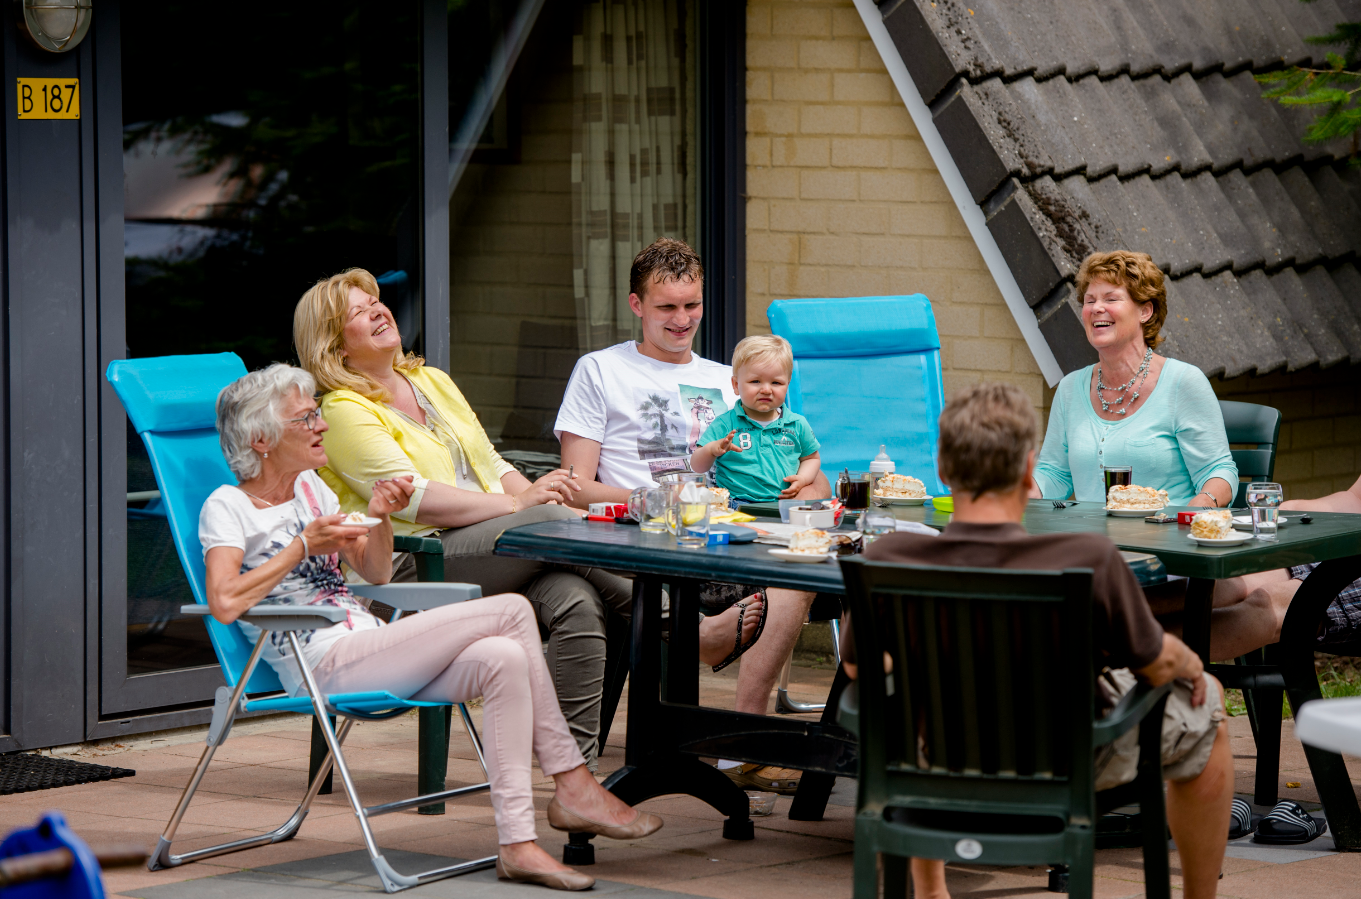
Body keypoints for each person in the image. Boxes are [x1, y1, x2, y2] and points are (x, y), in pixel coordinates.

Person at [199, 364, 661, 891]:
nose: (320, 425)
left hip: (362, 641)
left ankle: (518, 845)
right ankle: (574, 785)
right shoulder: (228, 507)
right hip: (319, 664)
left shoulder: (312, 493)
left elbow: (373, 572)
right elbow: (224, 601)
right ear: (261, 440)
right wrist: (302, 547)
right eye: (306, 418)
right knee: (510, 611)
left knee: (503, 659)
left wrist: (378, 516)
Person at [844, 383, 1232, 899]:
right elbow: (1157, 666)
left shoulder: (887, 558)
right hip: (1066, 761)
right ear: (1029, 471)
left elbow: (858, 671)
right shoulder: (1089, 557)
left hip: (935, 758)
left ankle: (931, 888)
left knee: (912, 702)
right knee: (1208, 710)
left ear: (942, 469)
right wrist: (1189, 665)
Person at [294, 268, 644, 771]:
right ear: (334, 345)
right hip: (408, 567)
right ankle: (685, 629)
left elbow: (492, 465)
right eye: (358, 310)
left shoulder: (429, 381)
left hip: (485, 550)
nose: (378, 310)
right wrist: (529, 508)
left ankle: (574, 769)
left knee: (577, 598)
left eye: (376, 301)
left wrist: (550, 505)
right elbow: (415, 501)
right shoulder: (343, 410)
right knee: (548, 519)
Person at [556, 237, 830, 795]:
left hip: (730, 537)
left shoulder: (732, 377)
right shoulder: (601, 371)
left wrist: (807, 482)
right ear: (637, 305)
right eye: (666, 308)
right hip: (644, 538)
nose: (682, 320)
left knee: (802, 575)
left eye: (692, 305)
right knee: (781, 581)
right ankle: (711, 663)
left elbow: (806, 477)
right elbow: (573, 485)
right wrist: (651, 502)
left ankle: (743, 745)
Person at [1031, 251, 1238, 508]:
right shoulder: (1070, 389)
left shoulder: (1184, 383)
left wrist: (1197, 508)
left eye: (1111, 298)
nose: (1097, 308)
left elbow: (1218, 471)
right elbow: (1055, 473)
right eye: (1089, 300)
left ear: (1145, 311)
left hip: (1165, 540)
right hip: (1094, 545)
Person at [1205, 473, 1361, 659]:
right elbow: (1356, 499)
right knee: (1231, 584)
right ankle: (1160, 629)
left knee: (1267, 606)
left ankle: (1164, 655)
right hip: (1349, 551)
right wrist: (1293, 508)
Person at [690, 334, 822, 503]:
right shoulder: (725, 423)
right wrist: (711, 450)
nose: (766, 389)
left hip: (783, 503)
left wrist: (803, 479)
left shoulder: (796, 424)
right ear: (736, 385)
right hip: (735, 503)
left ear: (787, 384)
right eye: (755, 381)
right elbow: (697, 466)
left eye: (776, 383)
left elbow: (811, 458)